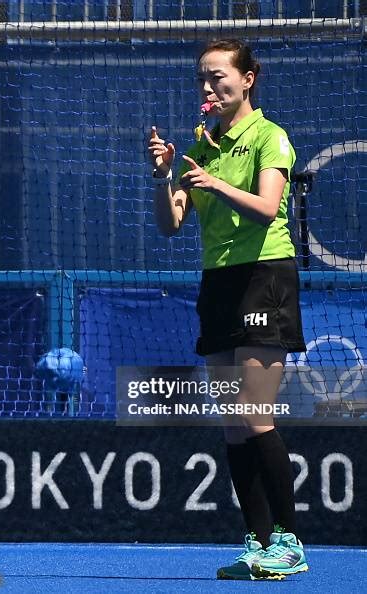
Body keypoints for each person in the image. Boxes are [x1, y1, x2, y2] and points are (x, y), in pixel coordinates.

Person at [148, 39, 308, 581]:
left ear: (247, 79)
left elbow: (267, 208)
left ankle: (289, 541)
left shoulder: (270, 137)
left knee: (253, 412)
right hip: (217, 282)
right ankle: (258, 542)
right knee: (232, 423)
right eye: (202, 80)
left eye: (219, 77)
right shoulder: (203, 143)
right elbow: (170, 225)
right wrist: (164, 176)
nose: (209, 87)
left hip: (265, 277)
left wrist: (212, 181)